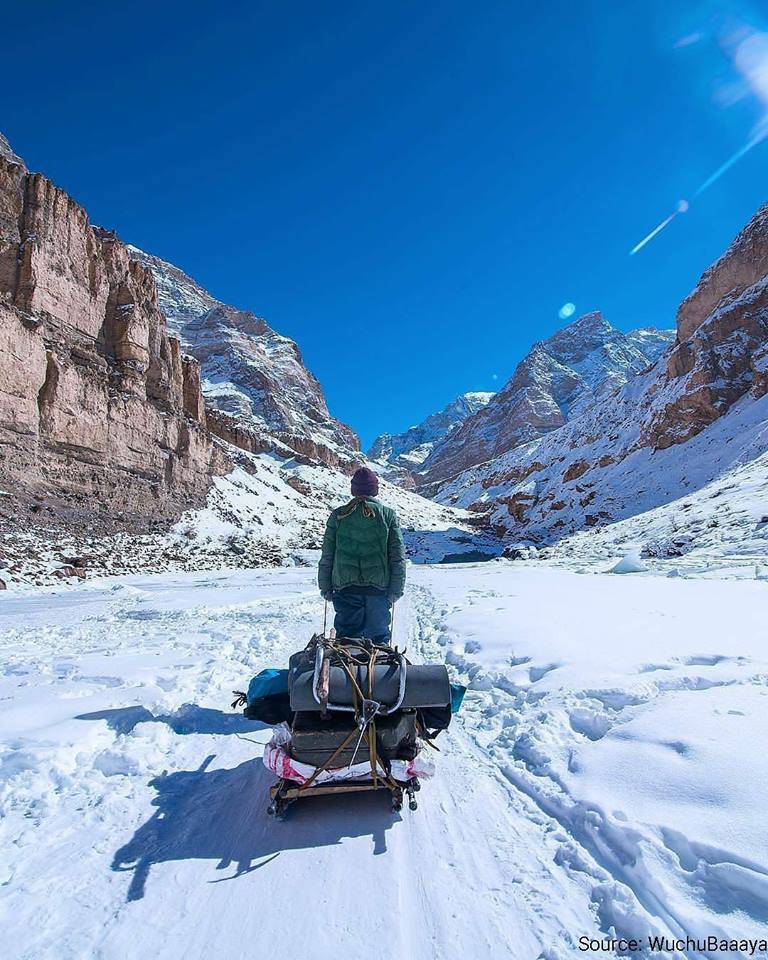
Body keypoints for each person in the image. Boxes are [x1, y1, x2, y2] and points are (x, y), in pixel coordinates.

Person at [318, 466, 406, 643]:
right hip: (378, 592)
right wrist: (396, 589)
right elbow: (397, 556)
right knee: (379, 643)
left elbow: (327, 555)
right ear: (375, 489)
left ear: (353, 490)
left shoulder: (338, 515)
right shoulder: (388, 515)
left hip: (345, 590)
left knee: (346, 643)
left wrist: (325, 587)